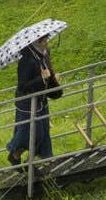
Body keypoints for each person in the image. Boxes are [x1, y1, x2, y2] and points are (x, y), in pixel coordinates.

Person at [6, 35, 63, 165]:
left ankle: (42, 159)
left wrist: (53, 79)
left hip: (41, 99)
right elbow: (22, 86)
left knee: (44, 130)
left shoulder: (45, 53)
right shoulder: (26, 61)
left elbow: (48, 71)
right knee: (34, 133)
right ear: (36, 43)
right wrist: (41, 78)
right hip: (27, 102)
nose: (47, 43)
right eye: (44, 41)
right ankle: (15, 153)